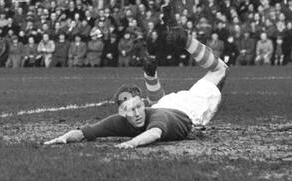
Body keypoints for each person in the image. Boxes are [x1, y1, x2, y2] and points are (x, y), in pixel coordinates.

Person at [44, 35, 228, 150]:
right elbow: (86, 132)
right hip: (163, 104)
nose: (137, 113)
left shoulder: (157, 119)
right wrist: (64, 138)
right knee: (160, 102)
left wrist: (131, 143)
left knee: (221, 70)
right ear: (122, 113)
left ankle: (185, 39)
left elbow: (154, 133)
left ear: (143, 104)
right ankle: (151, 74)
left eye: (139, 106)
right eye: (131, 110)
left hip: (189, 110)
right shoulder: (119, 121)